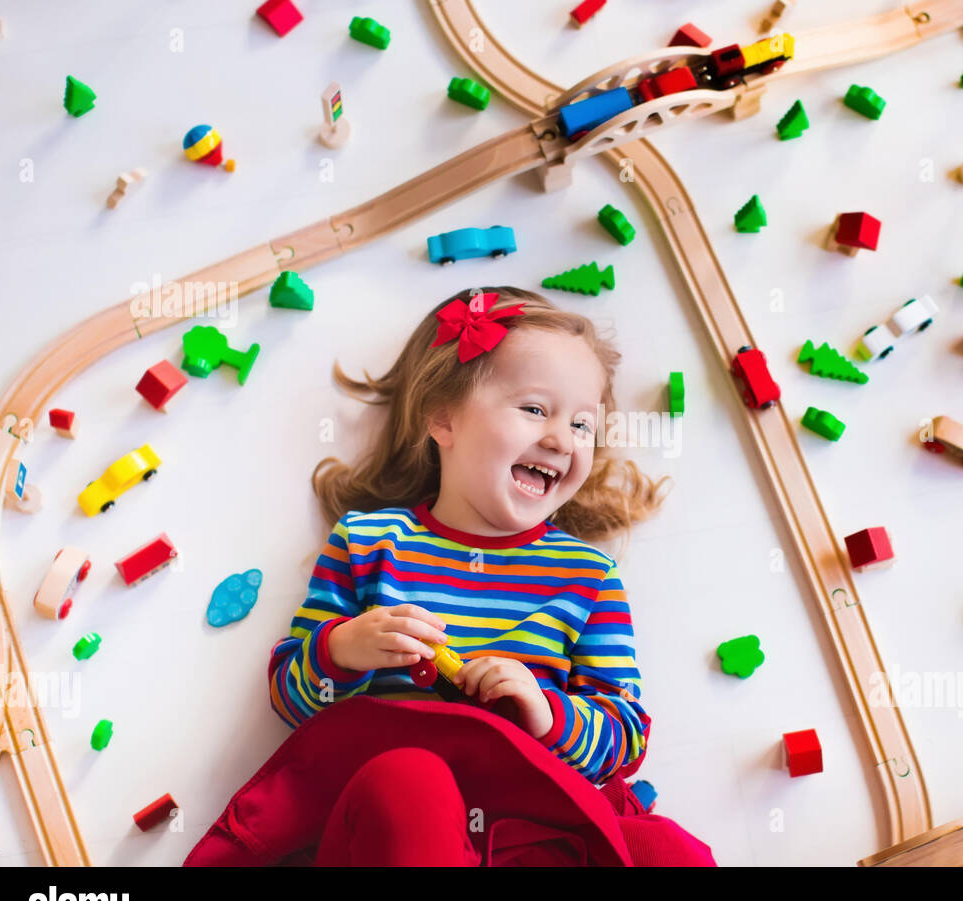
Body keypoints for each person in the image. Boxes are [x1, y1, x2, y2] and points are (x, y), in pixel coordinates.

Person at [268, 285, 671, 865]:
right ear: (443, 419)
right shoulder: (368, 543)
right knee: (411, 782)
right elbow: (291, 699)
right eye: (535, 410)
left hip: (534, 826)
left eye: (584, 425)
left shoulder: (589, 577)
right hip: (403, 825)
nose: (562, 438)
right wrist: (344, 648)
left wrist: (544, 711)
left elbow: (625, 738)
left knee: (663, 849)